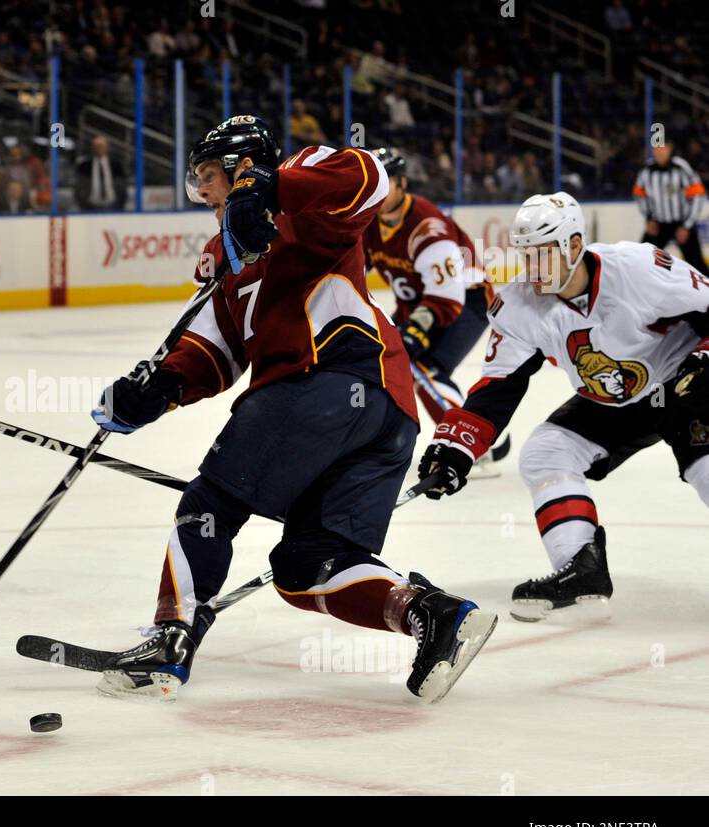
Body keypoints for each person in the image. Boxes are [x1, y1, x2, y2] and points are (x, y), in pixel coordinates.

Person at [90, 116, 496, 703]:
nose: (202, 192)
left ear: (243, 168)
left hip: (324, 381)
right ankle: (431, 615)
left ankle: (169, 637)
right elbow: (217, 349)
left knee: (210, 503)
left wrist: (269, 190)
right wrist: (158, 389)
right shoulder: (222, 254)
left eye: (209, 176)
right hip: (381, 413)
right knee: (308, 566)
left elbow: (370, 174)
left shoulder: (299, 189)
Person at [417, 192, 709, 622]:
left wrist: (703, 362)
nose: (531, 268)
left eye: (542, 254)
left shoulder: (639, 269)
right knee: (545, 452)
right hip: (612, 401)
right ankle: (581, 566)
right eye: (525, 255)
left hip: (682, 383)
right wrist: (454, 448)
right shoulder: (519, 306)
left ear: (574, 246)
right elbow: (497, 388)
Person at [361, 147, 509, 472]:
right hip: (419, 302)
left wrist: (413, 334)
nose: (377, 193)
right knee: (388, 364)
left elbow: (446, 296)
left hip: (466, 300)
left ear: (402, 183)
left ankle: (471, 445)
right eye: (372, 185)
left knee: (424, 368)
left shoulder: (428, 226)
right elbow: (354, 269)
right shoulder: (370, 223)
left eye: (384, 184)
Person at [633, 142, 709, 275]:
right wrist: (649, 218)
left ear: (669, 149)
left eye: (662, 148)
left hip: (682, 224)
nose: (659, 151)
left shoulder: (681, 168)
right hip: (658, 224)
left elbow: (698, 195)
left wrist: (687, 226)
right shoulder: (647, 170)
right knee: (640, 259)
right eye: (656, 148)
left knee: (697, 266)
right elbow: (639, 194)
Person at [75, 136, 125, 211]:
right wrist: (83, 204)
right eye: (97, 146)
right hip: (89, 207)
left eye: (101, 146)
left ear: (107, 147)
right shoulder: (84, 166)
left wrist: (120, 205)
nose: (99, 148)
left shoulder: (116, 165)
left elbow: (122, 185)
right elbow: (79, 187)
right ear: (92, 148)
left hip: (113, 206)